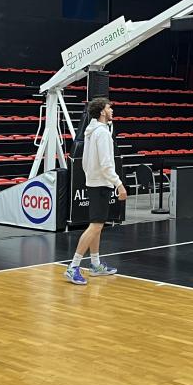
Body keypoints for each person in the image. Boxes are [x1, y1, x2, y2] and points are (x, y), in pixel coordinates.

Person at [64, 97, 127, 285]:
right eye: (109, 107)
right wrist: (119, 184)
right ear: (102, 112)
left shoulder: (91, 132)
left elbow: (85, 162)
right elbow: (106, 164)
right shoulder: (102, 133)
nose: (112, 110)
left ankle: (95, 263)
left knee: (96, 225)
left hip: (95, 182)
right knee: (95, 227)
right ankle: (73, 266)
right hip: (101, 183)